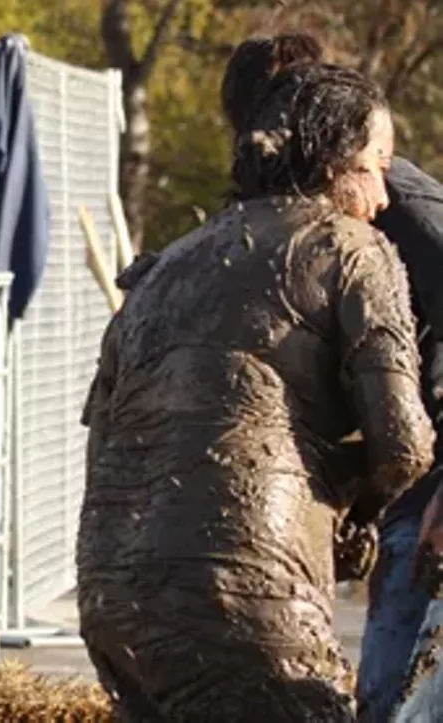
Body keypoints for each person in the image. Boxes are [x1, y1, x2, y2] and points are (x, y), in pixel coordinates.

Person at [77, 60, 435, 721]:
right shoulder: (352, 247)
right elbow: (405, 445)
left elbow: (105, 437)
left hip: (111, 594)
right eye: (376, 164)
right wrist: (357, 500)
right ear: (334, 160)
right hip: (244, 593)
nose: (386, 194)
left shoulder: (166, 264)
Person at [221, 34, 443, 722]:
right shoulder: (277, 215)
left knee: (396, 700)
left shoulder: (401, 210)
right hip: (384, 491)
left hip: (427, 496)